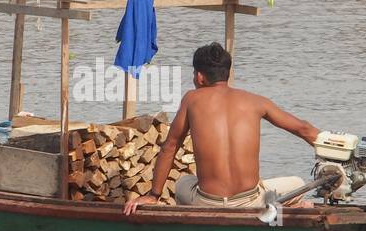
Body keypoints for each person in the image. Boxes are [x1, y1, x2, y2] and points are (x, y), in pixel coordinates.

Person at [123, 42, 320, 215]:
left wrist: (153, 195)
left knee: (182, 183)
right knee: (298, 183)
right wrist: (343, 153)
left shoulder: (192, 99)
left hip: (208, 202)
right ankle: (288, 207)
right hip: (251, 202)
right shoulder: (257, 101)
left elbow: (170, 146)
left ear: (200, 77)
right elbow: (303, 129)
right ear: (228, 73)